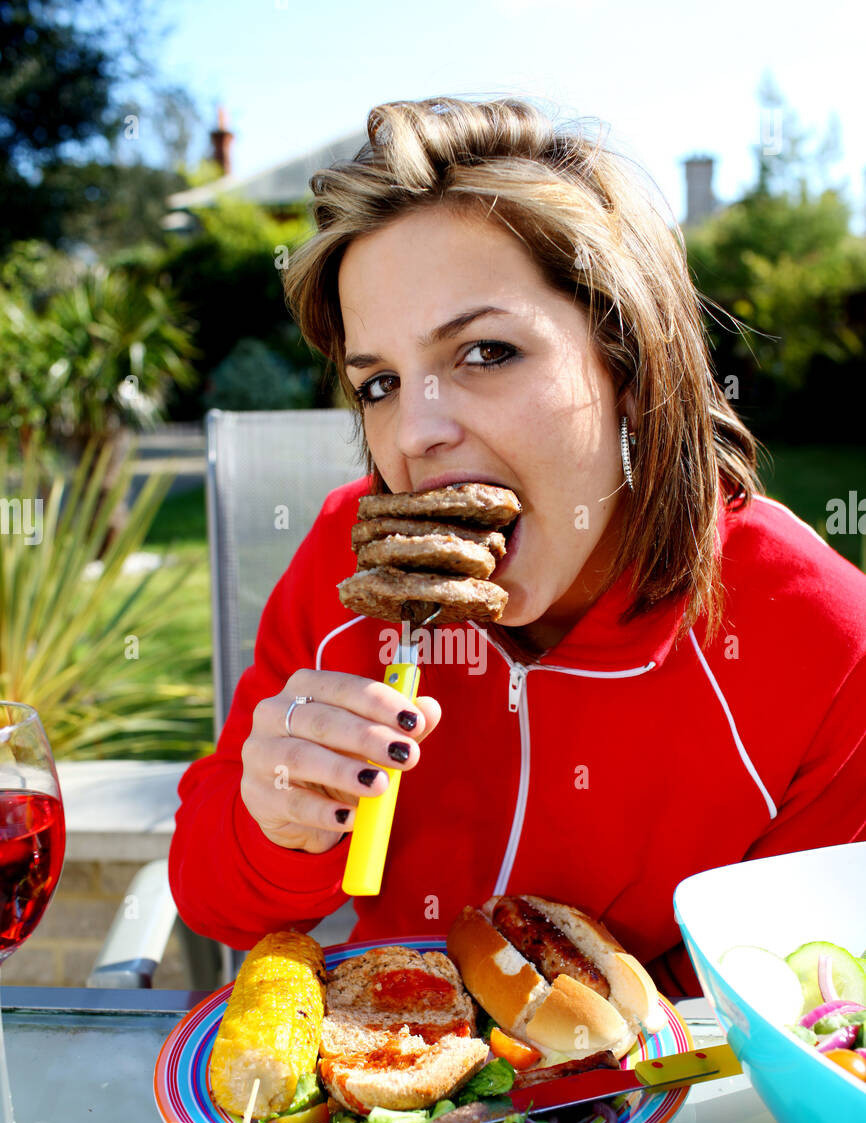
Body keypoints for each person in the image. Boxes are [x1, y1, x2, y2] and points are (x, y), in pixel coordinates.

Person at [168, 96, 866, 999]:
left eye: (486, 352)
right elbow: (215, 902)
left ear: (626, 356)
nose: (415, 433)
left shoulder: (819, 642)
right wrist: (276, 824)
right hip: (382, 1090)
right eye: (377, 382)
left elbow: (800, 1008)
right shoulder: (343, 575)